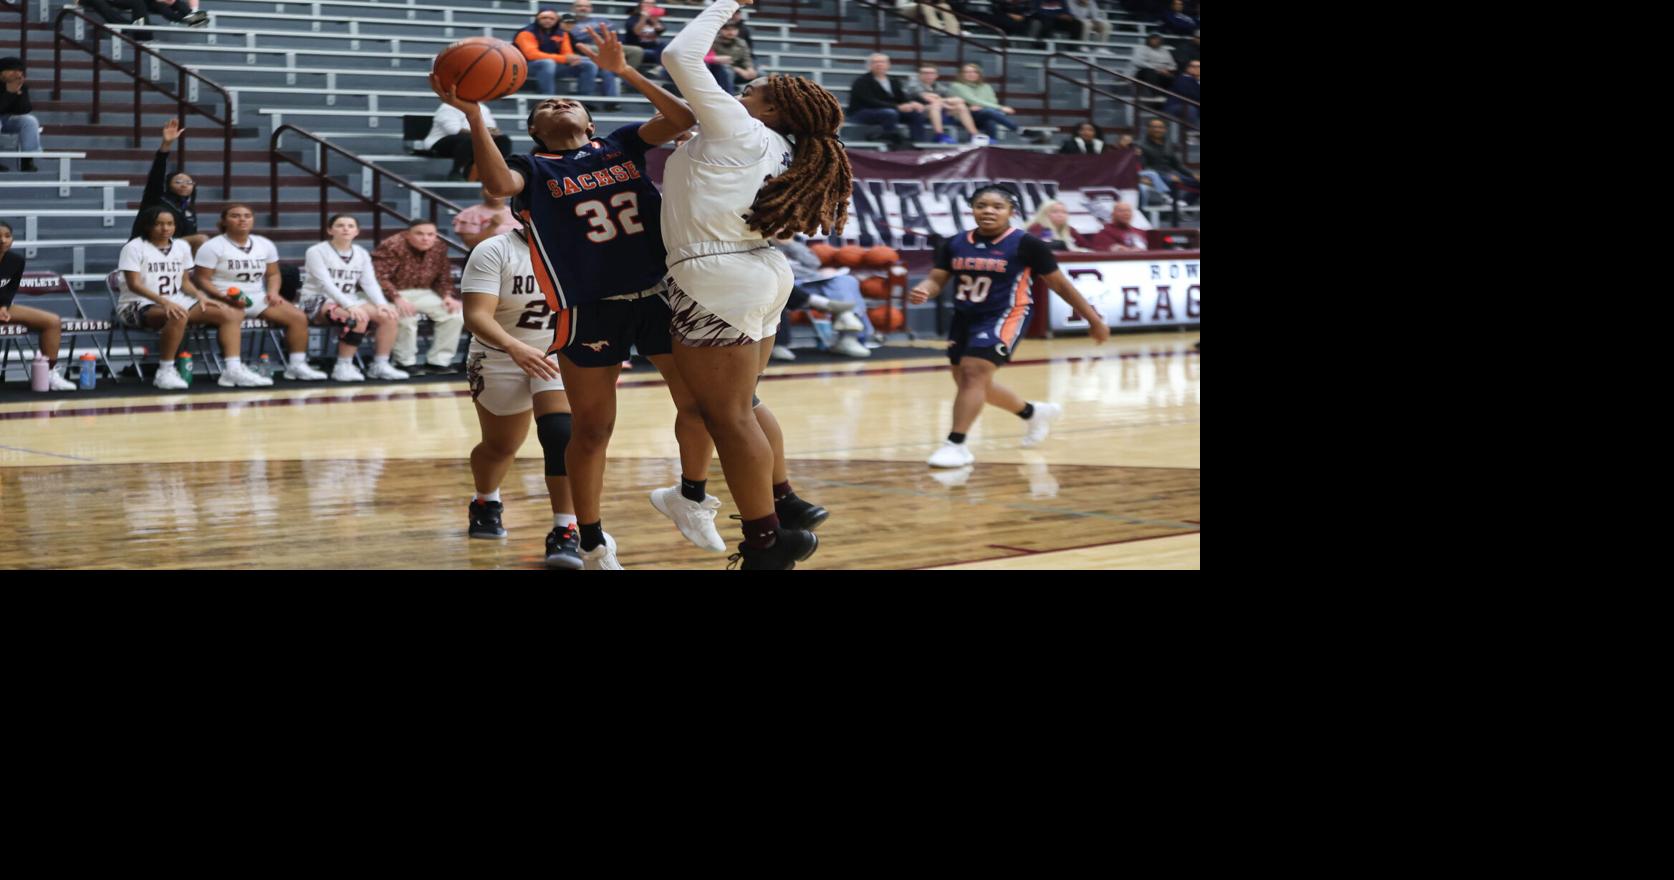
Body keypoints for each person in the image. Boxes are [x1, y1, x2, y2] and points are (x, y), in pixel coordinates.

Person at [439, 25, 737, 568]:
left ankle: (691, 497)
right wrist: (475, 115)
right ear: (533, 132)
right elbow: (498, 186)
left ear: (591, 122)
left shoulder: (620, 143)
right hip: (589, 307)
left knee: (699, 405)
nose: (558, 100)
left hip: (659, 294)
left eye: (568, 98)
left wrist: (624, 71)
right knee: (590, 428)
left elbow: (684, 120)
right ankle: (592, 538)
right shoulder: (533, 169)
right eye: (546, 104)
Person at [658, 0, 855, 569]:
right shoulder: (783, 146)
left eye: (755, 89)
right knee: (738, 403)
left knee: (729, 416)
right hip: (759, 271)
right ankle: (785, 504)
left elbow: (679, 54)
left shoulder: (741, 127)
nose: (743, 91)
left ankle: (768, 543)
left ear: (773, 108)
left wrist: (722, 5)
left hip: (716, 275)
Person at [908, 185, 1108, 468]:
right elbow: (937, 279)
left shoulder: (1028, 244)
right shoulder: (954, 243)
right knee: (972, 384)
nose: (988, 210)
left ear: (1011, 212)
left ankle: (956, 444)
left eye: (997, 206)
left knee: (973, 373)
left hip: (1005, 315)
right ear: (973, 210)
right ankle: (1032, 413)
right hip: (965, 317)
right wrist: (925, 290)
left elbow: (1060, 285)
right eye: (981, 205)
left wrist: (1094, 319)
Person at [459, 230, 583, 570]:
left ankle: (565, 528)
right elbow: (476, 315)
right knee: (499, 447)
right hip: (499, 352)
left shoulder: (579, 242)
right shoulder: (494, 250)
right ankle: (486, 501)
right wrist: (514, 347)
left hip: (559, 353)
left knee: (560, 434)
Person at [117, 206, 273, 390]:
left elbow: (185, 282)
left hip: (176, 300)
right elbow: (135, 284)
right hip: (136, 304)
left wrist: (202, 297)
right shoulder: (134, 247)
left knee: (231, 313)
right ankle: (165, 371)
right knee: (178, 314)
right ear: (147, 226)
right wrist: (165, 302)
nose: (165, 228)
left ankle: (232, 370)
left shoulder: (181, 246)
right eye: (159, 224)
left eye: (170, 224)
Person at [192, 204, 328, 381]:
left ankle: (296, 366)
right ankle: (232, 370)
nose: (242, 219)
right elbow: (202, 279)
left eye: (247, 216)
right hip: (223, 296)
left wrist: (273, 292)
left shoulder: (264, 244)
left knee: (297, 317)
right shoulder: (212, 246)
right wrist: (222, 297)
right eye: (235, 216)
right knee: (233, 315)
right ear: (224, 221)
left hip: (256, 296)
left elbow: (273, 274)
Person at [297, 214, 408, 382]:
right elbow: (326, 284)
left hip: (349, 300)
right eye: (340, 225)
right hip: (316, 300)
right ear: (330, 230)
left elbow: (369, 282)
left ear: (356, 231)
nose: (345, 229)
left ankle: (380, 365)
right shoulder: (316, 251)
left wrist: (382, 304)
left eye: (350, 226)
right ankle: (343, 366)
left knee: (389, 316)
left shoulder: (361, 253)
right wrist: (350, 306)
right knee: (356, 318)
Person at [371, 220, 466, 374]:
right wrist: (396, 298)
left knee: (455, 314)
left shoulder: (439, 247)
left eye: (430, 235)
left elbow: (443, 276)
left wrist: (447, 296)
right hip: (391, 293)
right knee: (406, 317)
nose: (425, 238)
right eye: (419, 234)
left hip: (422, 291)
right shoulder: (392, 245)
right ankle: (405, 362)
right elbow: (378, 277)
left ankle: (438, 362)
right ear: (408, 235)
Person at [1, 220, 78, 390]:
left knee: (51, 321)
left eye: (7, 236)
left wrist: (4, 306)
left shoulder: (16, 261)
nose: (3, 240)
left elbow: (10, 289)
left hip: (3, 308)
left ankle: (48, 374)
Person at [771, 233, 871, 358]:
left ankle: (847, 338)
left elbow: (814, 263)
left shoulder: (792, 241)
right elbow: (777, 269)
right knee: (780, 284)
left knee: (846, 280)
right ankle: (847, 328)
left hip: (812, 281)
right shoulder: (760, 244)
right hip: (790, 283)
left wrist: (790, 244)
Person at [128, 119, 207, 254]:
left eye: (189, 182)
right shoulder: (157, 198)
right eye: (178, 181)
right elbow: (156, 176)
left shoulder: (189, 209)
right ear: (168, 185)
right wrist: (166, 146)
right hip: (145, 248)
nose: (184, 185)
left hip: (172, 253)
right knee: (201, 239)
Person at [516, 8, 616, 101]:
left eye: (551, 18)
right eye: (544, 18)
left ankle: (585, 100)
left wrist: (572, 58)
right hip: (526, 67)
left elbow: (567, 53)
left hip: (554, 66)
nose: (548, 20)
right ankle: (547, 98)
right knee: (547, 63)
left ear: (556, 20)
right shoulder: (526, 32)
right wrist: (564, 59)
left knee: (588, 64)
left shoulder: (562, 33)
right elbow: (532, 55)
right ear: (537, 18)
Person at [847, 54, 929, 147]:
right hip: (861, 112)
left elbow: (901, 98)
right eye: (875, 62)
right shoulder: (861, 81)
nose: (879, 64)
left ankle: (919, 142)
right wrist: (897, 107)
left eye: (882, 62)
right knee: (890, 113)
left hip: (888, 110)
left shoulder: (893, 80)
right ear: (869, 65)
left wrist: (911, 104)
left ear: (888, 65)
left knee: (915, 113)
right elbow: (869, 101)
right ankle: (892, 143)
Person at [422, 100, 513, 182]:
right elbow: (454, 130)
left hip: (473, 142)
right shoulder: (448, 106)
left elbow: (492, 128)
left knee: (503, 140)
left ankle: (501, 172)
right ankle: (456, 172)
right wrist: (483, 132)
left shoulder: (483, 108)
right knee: (470, 138)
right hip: (440, 143)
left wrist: (494, 132)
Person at [947, 63, 1019, 142]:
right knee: (989, 112)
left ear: (979, 74)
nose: (971, 74)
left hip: (983, 114)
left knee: (989, 118)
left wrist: (982, 107)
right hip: (964, 116)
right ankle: (1018, 129)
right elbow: (971, 99)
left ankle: (992, 142)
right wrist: (1000, 108)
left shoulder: (986, 86)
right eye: (967, 72)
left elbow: (993, 101)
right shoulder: (956, 86)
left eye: (975, 72)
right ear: (961, 74)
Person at [572, 0, 646, 71]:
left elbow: (613, 30)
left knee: (637, 51)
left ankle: (625, 76)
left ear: (591, 9)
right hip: (586, 46)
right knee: (603, 50)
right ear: (573, 8)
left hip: (607, 44)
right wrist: (598, 30)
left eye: (586, 7)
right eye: (579, 6)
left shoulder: (600, 20)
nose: (583, 8)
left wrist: (590, 31)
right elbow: (576, 37)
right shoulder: (569, 22)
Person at [914, 64, 979, 144]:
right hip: (919, 112)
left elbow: (959, 99)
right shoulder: (913, 85)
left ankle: (975, 136)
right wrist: (943, 103)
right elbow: (928, 98)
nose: (928, 75)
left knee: (960, 106)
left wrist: (943, 102)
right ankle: (939, 135)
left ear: (936, 75)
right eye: (925, 73)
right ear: (919, 75)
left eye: (931, 73)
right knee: (936, 105)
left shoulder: (939, 87)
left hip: (940, 111)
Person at [1138, 116, 1198, 200]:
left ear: (1165, 130)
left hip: (1171, 173)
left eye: (1160, 127)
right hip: (1155, 175)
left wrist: (1192, 174)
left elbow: (1177, 165)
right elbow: (1144, 167)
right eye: (1154, 127)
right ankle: (1172, 203)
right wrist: (1168, 176)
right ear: (1148, 129)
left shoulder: (1168, 144)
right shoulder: (1141, 145)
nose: (1157, 129)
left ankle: (1185, 202)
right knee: (1171, 180)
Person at [0, 57, 41, 173]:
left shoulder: (20, 86)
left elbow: (24, 109)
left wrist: (17, 94)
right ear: (2, 72)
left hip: (7, 119)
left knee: (29, 121)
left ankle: (27, 160)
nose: (17, 74)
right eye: (13, 70)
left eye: (20, 71)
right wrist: (9, 93)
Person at [453, 188, 524, 249]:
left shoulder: (516, 212)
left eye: (499, 189)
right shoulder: (469, 213)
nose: (495, 193)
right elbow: (470, 244)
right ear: (482, 192)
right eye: (490, 189)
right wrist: (492, 226)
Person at [1082, 200, 1147, 250]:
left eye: (1128, 211)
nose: (1126, 214)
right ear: (1113, 214)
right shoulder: (1104, 234)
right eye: (1121, 211)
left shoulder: (1141, 232)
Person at [622, 0, 669, 68]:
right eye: (646, 3)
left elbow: (661, 29)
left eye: (652, 3)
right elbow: (636, 32)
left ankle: (660, 68)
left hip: (652, 46)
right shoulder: (633, 18)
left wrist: (655, 22)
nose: (649, 5)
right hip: (636, 46)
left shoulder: (654, 19)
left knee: (664, 46)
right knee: (639, 51)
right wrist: (643, 18)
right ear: (641, 4)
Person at [712, 20, 758, 88]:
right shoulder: (714, 42)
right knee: (727, 72)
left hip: (740, 71)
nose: (731, 32)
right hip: (719, 71)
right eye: (727, 29)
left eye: (734, 29)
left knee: (760, 73)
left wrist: (750, 68)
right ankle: (728, 96)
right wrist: (738, 70)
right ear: (720, 30)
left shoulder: (741, 42)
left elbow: (746, 58)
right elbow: (713, 61)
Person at [1163, 59, 1200, 125]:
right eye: (1193, 66)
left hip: (1193, 108)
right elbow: (1191, 94)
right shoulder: (1182, 78)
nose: (1196, 69)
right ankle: (1193, 133)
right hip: (1176, 107)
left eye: (1198, 67)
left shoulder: (1197, 81)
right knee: (1190, 109)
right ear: (1188, 68)